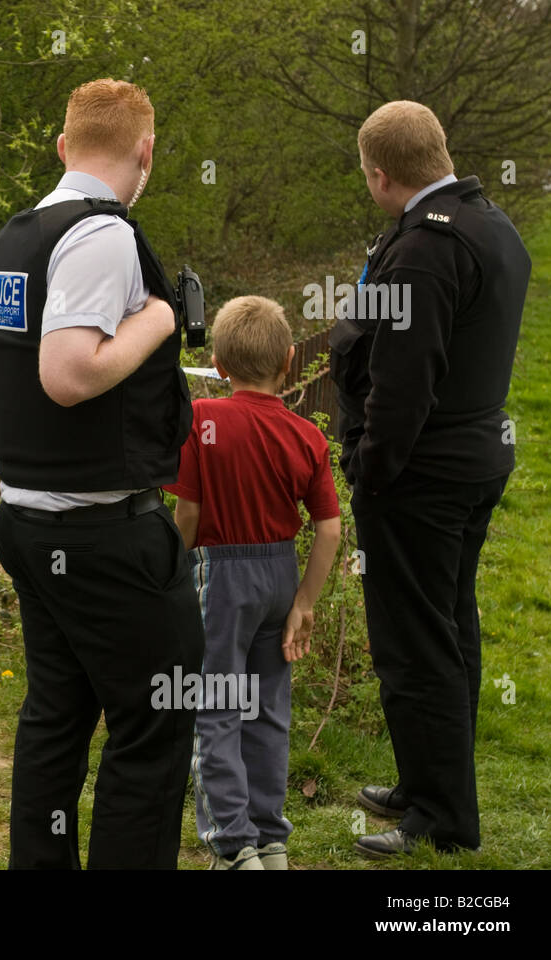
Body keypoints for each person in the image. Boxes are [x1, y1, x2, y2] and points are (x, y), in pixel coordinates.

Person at [0, 78, 204, 869]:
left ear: (63, 147)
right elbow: (68, 373)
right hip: (103, 534)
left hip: (27, 524)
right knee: (155, 721)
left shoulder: (13, 237)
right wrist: (160, 318)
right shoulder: (105, 237)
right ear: (146, 152)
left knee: (56, 717)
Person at [331, 100, 531, 858]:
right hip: (473, 457)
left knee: (415, 645)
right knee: (449, 627)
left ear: (380, 174)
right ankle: (426, 783)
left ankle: (441, 819)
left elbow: (404, 382)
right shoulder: (492, 225)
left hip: (420, 473)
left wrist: (370, 468)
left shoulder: (423, 248)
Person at [164, 296, 341, 870]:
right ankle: (271, 839)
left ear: (217, 363)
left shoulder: (202, 422)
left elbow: (187, 515)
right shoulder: (306, 437)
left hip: (220, 578)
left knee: (215, 708)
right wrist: (304, 604)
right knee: (267, 710)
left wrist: (175, 573)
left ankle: (233, 847)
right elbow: (330, 529)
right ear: (290, 361)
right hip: (280, 576)